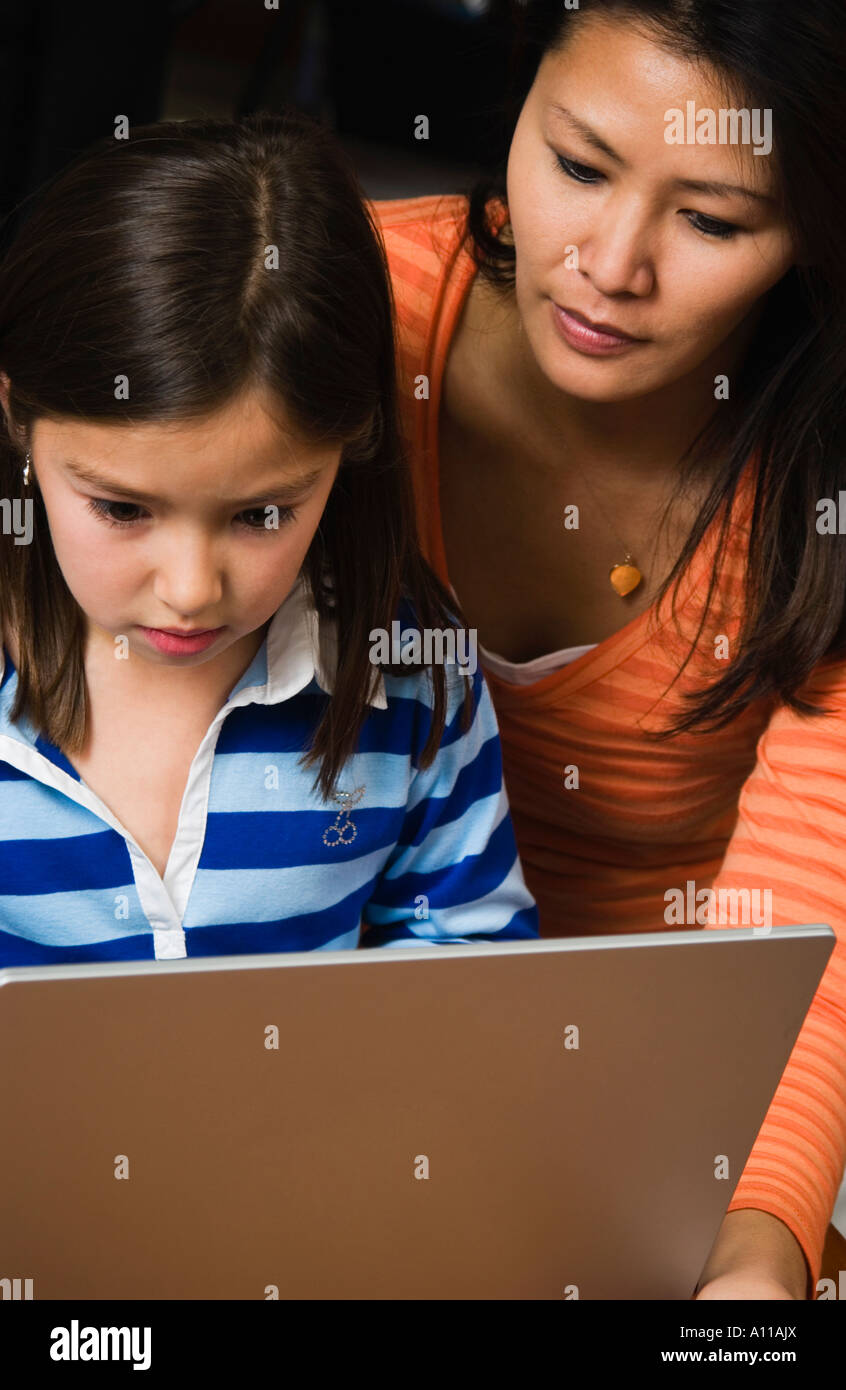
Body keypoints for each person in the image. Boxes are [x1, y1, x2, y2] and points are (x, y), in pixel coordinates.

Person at [372, 0, 846, 1299]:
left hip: (660, 1091)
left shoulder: (818, 476)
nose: (607, 262)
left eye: (709, 220)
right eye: (577, 165)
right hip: (306, 1021)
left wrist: (752, 1239)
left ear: (809, 230)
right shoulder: (325, 317)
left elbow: (807, 914)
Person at [0, 110, 538, 967]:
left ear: (349, 450)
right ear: (18, 419)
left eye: (261, 516)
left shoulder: (414, 679)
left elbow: (471, 970)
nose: (190, 588)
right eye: (123, 509)